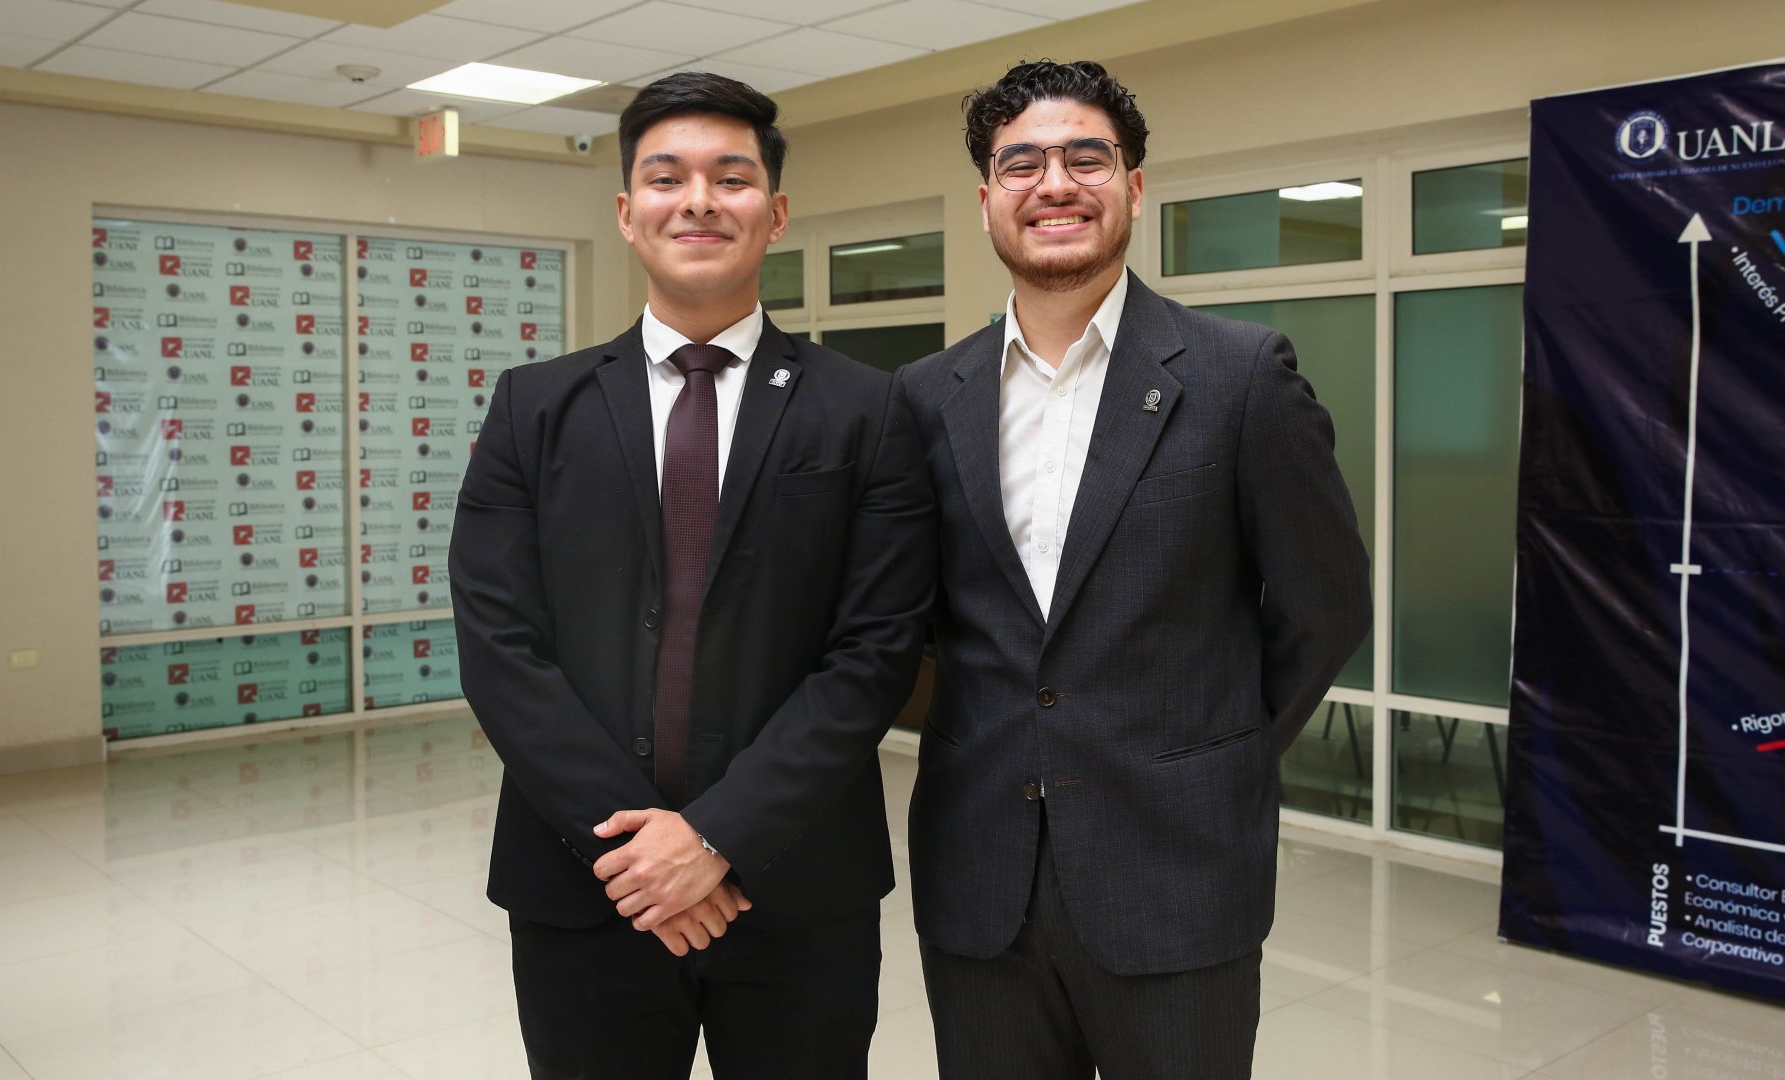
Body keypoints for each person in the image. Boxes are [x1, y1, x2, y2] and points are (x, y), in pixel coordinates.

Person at [449, 71, 934, 1080]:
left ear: (777, 212)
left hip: (797, 888)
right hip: (587, 890)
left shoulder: (867, 412)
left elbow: (875, 651)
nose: (700, 200)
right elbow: (501, 648)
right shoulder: (534, 410)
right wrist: (639, 857)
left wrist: (717, 836)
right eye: (667, 178)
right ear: (628, 213)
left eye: (732, 176)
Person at [897, 59, 1371, 1079]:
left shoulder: (1241, 377)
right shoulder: (925, 398)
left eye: (1086, 158)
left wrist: (1216, 750)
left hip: (1176, 875)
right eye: (1020, 163)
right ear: (986, 200)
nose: (1053, 184)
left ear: (1135, 186)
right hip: (981, 880)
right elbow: (910, 620)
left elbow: (1324, 609)